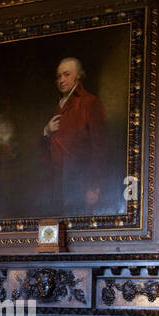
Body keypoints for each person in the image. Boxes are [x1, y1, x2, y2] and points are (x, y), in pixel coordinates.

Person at [42, 57, 107, 211]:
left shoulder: (90, 102)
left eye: (66, 74)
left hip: (80, 180)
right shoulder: (58, 105)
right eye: (59, 76)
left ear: (78, 75)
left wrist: (94, 185)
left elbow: (100, 146)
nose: (61, 80)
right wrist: (46, 131)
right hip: (58, 181)